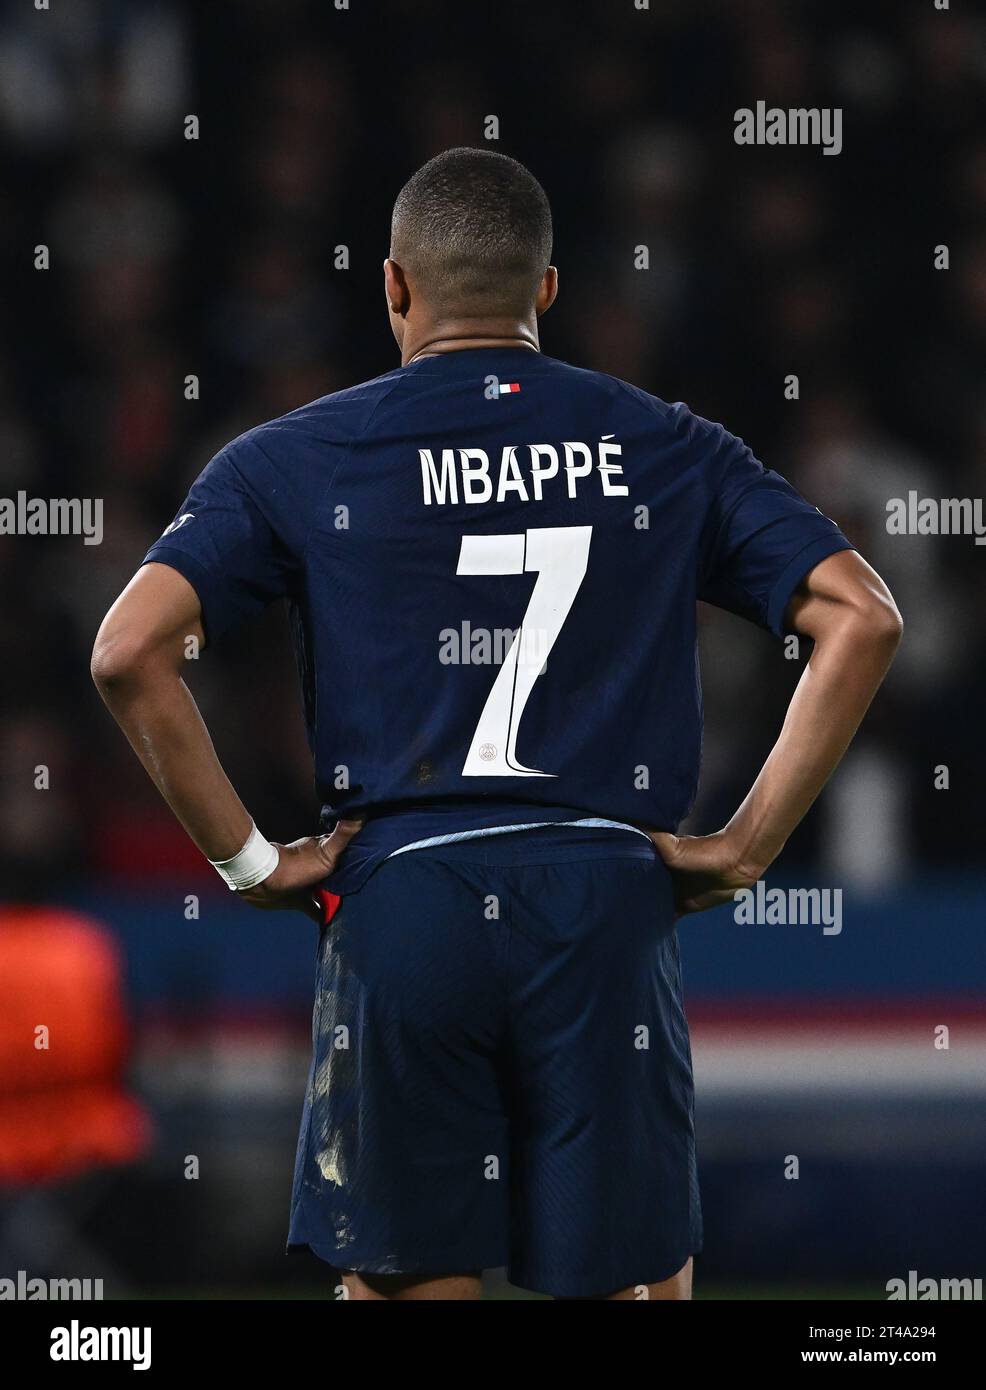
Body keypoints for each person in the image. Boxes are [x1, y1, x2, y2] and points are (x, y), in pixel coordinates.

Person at [92, 147, 902, 1300]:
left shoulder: (296, 455)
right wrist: (745, 845)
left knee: (403, 1284)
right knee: (634, 1286)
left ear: (392, 287)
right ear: (548, 291)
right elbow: (860, 618)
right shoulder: (661, 442)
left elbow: (127, 652)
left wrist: (252, 862)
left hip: (403, 894)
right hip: (601, 898)